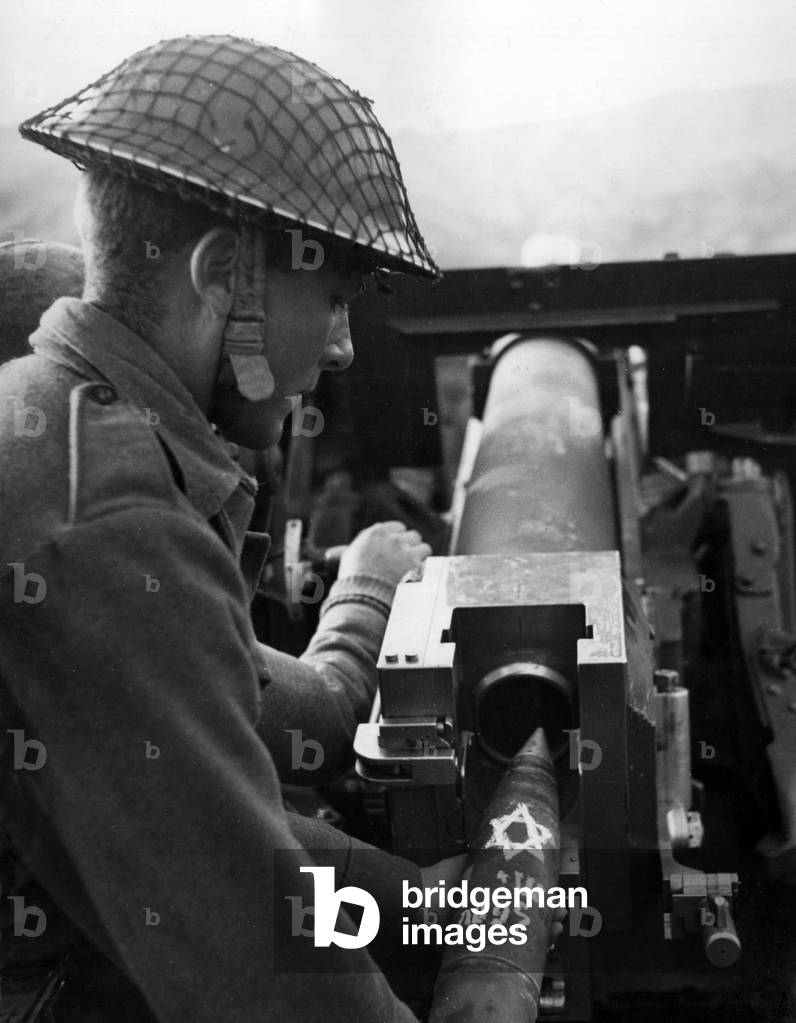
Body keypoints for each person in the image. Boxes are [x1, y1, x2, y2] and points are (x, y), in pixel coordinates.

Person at [0, 35, 444, 1022]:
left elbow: (217, 816)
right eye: (333, 299)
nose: (342, 347)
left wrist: (435, 913)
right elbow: (255, 965)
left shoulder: (65, 419)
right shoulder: (105, 523)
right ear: (220, 277)